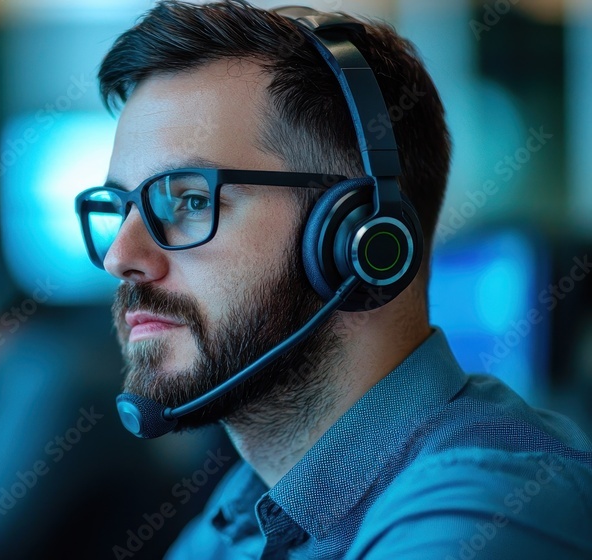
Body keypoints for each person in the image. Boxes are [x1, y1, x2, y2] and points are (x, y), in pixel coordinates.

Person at [73, 1, 592, 558]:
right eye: (120, 208)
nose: (120, 257)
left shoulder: (492, 506)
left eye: (191, 201)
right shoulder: (243, 514)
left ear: (360, 241)